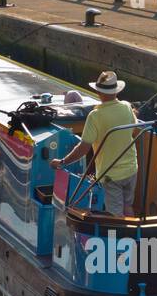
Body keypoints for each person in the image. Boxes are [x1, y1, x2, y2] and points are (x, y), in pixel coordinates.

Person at [51, 71, 138, 216]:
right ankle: (135, 237)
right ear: (116, 91)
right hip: (131, 169)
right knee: (128, 206)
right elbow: (134, 131)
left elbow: (84, 148)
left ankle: (120, 238)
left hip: (112, 175)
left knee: (115, 215)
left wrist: (63, 161)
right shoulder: (127, 107)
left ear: (98, 92)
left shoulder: (95, 116)